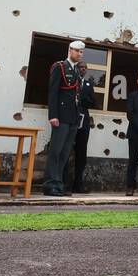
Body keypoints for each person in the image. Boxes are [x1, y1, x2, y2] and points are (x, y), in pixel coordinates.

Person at [43, 40, 84, 197]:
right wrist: (53, 115)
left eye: (82, 52)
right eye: (78, 51)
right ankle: (50, 184)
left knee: (65, 152)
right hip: (60, 116)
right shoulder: (59, 66)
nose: (80, 54)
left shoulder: (76, 71)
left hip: (72, 117)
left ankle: (58, 183)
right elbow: (53, 92)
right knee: (56, 151)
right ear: (70, 50)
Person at [68, 60, 97, 194]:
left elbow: (94, 102)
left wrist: (83, 100)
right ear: (76, 68)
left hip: (83, 122)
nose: (83, 69)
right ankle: (65, 184)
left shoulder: (88, 84)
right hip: (69, 119)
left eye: (85, 67)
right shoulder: (71, 81)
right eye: (81, 67)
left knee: (81, 154)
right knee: (67, 152)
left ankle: (78, 185)